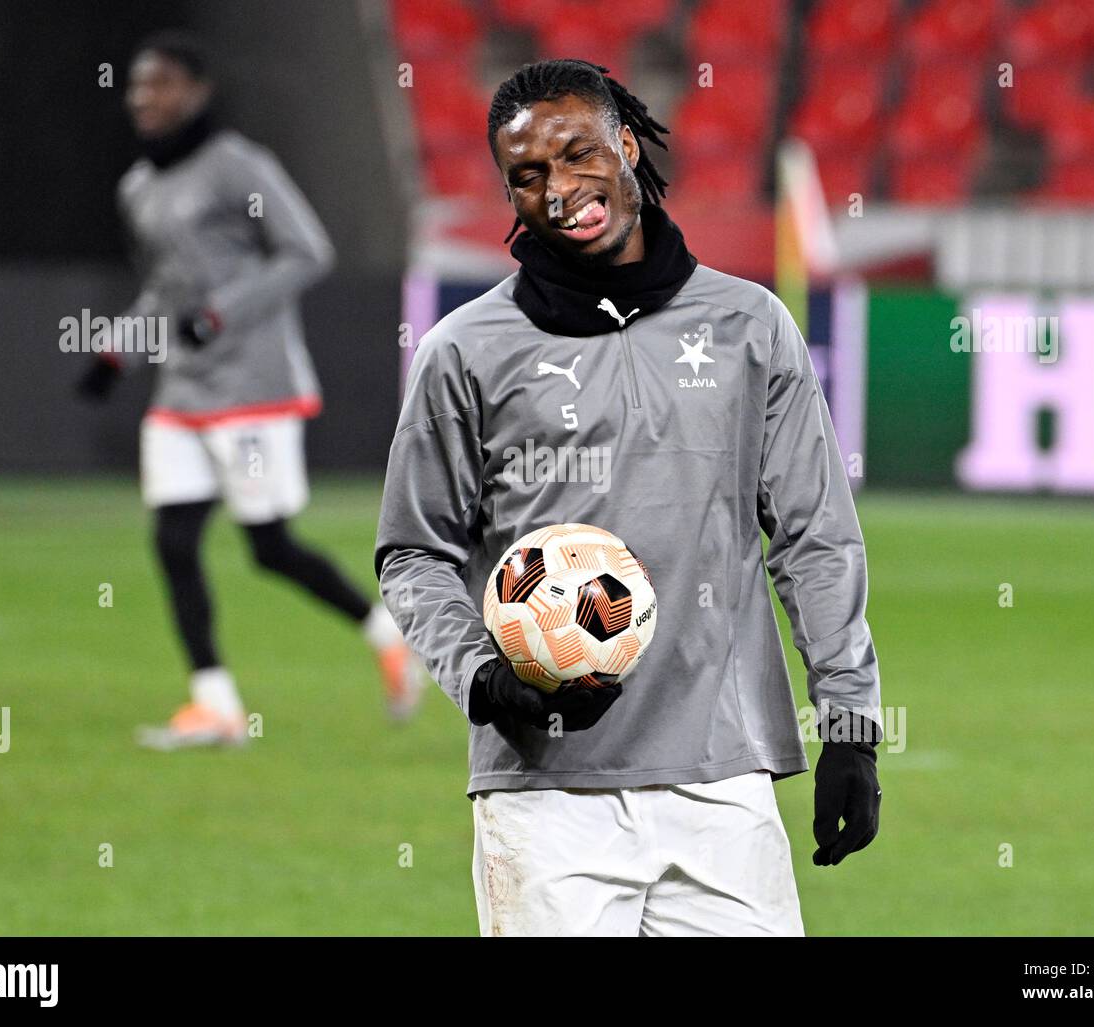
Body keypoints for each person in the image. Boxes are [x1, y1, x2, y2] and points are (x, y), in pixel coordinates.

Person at [374, 59, 883, 936]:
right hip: (544, 795)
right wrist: (487, 682)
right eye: (527, 176)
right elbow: (414, 552)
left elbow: (816, 537)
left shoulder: (751, 326)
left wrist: (851, 724)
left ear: (627, 145)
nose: (560, 189)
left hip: (723, 780)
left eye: (578, 154)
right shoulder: (464, 351)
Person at [80, 30, 426, 749]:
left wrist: (222, 314)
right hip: (181, 386)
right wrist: (119, 349)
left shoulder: (238, 166)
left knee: (268, 547)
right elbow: (165, 286)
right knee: (174, 538)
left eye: (163, 82)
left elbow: (308, 250)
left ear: (198, 91)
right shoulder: (137, 187)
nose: (146, 96)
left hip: (252, 384)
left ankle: (386, 630)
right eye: (139, 84)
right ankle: (215, 703)